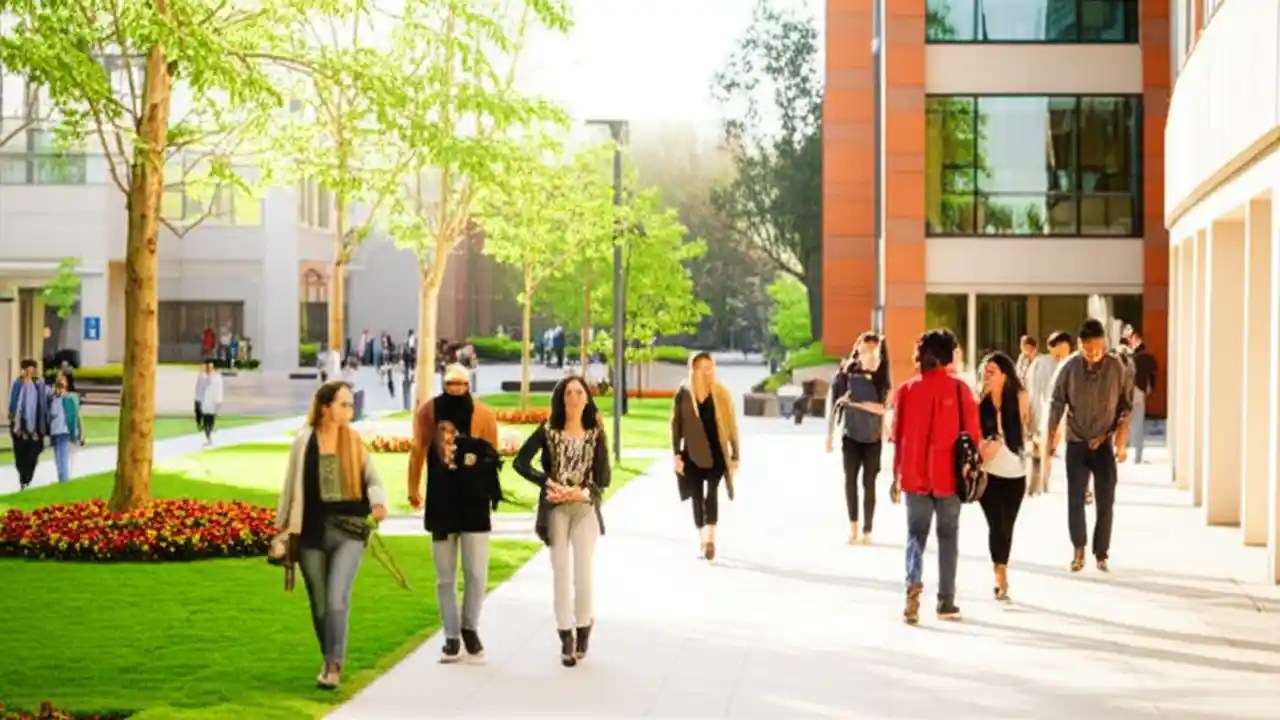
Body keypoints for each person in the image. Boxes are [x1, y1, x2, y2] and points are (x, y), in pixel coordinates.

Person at [276, 381, 388, 689]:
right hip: (311, 531)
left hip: (349, 530)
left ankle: (334, 665)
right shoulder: (303, 442)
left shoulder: (354, 440)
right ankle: (328, 656)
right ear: (326, 407)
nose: (350, 409)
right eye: (344, 404)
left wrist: (378, 502)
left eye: (351, 404)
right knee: (320, 604)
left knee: (338, 598)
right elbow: (290, 488)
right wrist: (282, 528)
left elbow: (373, 477)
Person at [891, 330, 994, 624]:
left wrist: (896, 476)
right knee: (948, 538)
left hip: (913, 476)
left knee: (915, 536)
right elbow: (972, 437)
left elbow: (897, 437)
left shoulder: (906, 390)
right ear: (948, 355)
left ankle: (912, 589)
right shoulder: (960, 390)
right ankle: (945, 602)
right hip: (949, 477)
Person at [514, 376, 612, 668]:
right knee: (560, 571)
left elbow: (604, 478)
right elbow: (520, 462)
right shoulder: (548, 431)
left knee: (582, 572)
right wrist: (547, 483)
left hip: (583, 508)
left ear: (586, 398)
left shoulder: (595, 434)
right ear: (561, 398)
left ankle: (583, 627)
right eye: (568, 392)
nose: (573, 397)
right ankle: (565, 637)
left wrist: (584, 490)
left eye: (579, 392)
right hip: (556, 508)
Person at [408, 363, 502, 664]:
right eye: (451, 384)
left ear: (469, 385)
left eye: (461, 384)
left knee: (476, 573)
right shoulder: (429, 412)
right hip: (441, 501)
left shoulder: (484, 415)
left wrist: (492, 493)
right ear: (444, 384)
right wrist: (413, 488)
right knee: (445, 577)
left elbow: (492, 457)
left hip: (474, 503)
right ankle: (451, 635)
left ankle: (470, 627)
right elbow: (418, 449)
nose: (456, 390)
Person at [1047, 319, 1132, 573]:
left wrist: (1120, 440)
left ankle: (1101, 552)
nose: (1092, 354)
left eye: (1096, 348)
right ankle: (1079, 548)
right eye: (1087, 349)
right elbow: (1056, 402)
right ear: (1080, 345)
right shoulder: (1070, 367)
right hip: (1076, 441)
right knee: (1075, 498)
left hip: (1103, 443)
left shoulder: (1117, 367)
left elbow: (1125, 406)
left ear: (1104, 343)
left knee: (1106, 500)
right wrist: (1051, 438)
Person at [670, 352, 741, 561]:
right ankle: (702, 538)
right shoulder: (684, 393)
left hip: (717, 454)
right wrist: (676, 454)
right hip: (692, 454)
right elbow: (676, 426)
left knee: (712, 493)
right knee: (697, 496)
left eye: (712, 367)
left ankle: (710, 539)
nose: (709, 371)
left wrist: (735, 454)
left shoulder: (721, 393)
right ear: (694, 369)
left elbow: (731, 425)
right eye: (704, 368)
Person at [826, 332, 890, 545]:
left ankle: (867, 529)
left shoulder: (881, 376)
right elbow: (835, 402)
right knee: (850, 481)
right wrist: (829, 434)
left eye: (873, 348)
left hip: (872, 438)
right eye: (865, 347)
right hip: (850, 435)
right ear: (858, 348)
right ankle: (853, 526)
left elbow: (881, 408)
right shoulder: (846, 373)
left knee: (869, 483)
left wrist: (856, 404)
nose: (869, 352)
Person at [976, 352, 1029, 602]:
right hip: (989, 475)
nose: (987, 375)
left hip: (1015, 475)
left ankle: (1001, 567)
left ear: (1005, 375)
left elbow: (1026, 430)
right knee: (996, 525)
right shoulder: (979, 403)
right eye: (985, 371)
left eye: (992, 371)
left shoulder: (1019, 398)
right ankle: (1000, 574)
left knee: (1007, 525)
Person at [1025, 331, 1074, 496]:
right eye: (1064, 346)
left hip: (1053, 416)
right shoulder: (1043, 363)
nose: (1067, 350)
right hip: (1042, 413)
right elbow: (1034, 390)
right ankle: (1039, 486)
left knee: (1045, 450)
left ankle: (1039, 486)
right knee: (1040, 450)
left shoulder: (1065, 364)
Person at [7, 359, 50, 490]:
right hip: (20, 427)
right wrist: (13, 420)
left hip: (36, 427)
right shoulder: (17, 384)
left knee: (33, 454)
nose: (30, 373)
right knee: (20, 456)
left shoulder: (40, 384)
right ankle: (23, 478)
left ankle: (28, 478)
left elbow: (44, 404)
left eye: (32, 370)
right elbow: (13, 404)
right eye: (27, 370)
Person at [1124, 325, 1157, 464]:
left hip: (1129, 390)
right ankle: (1137, 455)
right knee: (1137, 422)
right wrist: (1149, 388)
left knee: (1125, 421)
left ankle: (1123, 451)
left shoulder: (1130, 356)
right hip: (1139, 391)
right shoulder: (1147, 357)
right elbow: (1152, 376)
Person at [48, 374, 84, 483]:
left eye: (62, 386)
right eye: (58, 386)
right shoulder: (51, 399)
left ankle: (64, 479)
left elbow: (77, 416)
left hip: (65, 431)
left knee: (63, 457)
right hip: (54, 431)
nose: (60, 389)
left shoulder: (70, 399)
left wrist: (80, 433)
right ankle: (61, 477)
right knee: (58, 457)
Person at [193, 359, 223, 446]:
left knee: (210, 421)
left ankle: (209, 437)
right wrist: (197, 400)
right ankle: (208, 436)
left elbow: (219, 390)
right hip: (202, 401)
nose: (208, 368)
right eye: (207, 367)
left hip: (212, 402)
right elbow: (198, 388)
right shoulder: (202, 377)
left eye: (210, 367)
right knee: (204, 421)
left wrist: (218, 401)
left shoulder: (216, 378)